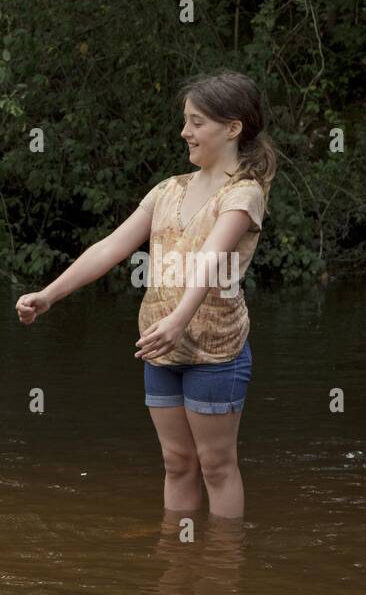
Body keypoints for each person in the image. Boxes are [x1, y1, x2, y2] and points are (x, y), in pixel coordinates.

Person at [16, 71, 274, 518]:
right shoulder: (167, 190)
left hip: (215, 350)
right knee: (177, 463)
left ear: (232, 128)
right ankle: (177, 563)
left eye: (196, 122)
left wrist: (180, 321)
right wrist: (50, 294)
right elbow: (110, 247)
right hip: (159, 347)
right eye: (185, 121)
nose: (184, 132)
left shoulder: (244, 193)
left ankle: (222, 572)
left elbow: (211, 261)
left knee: (216, 466)